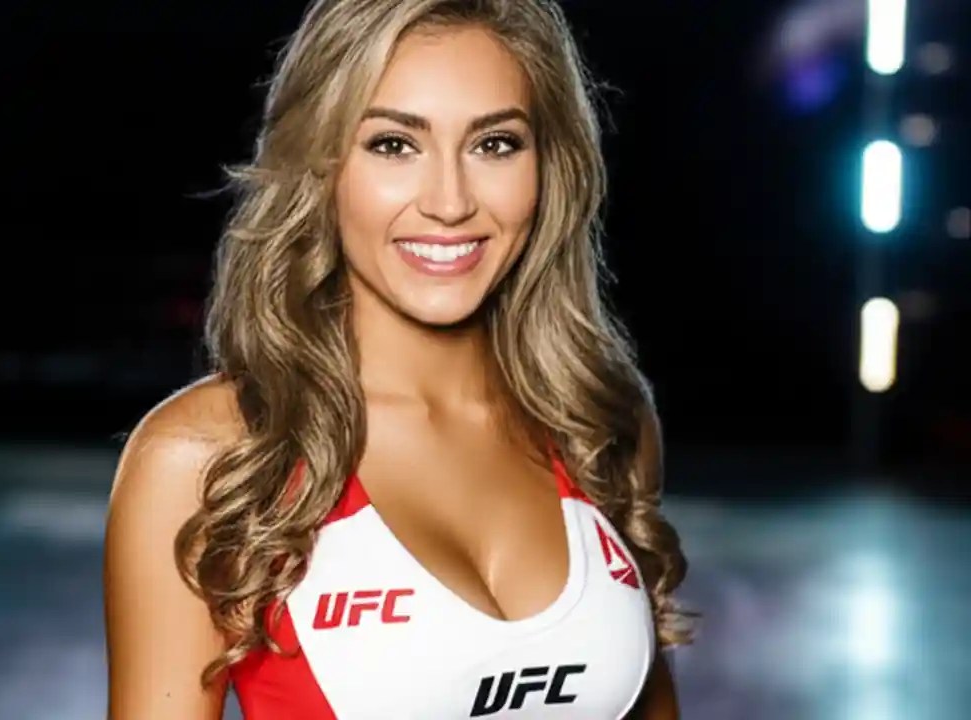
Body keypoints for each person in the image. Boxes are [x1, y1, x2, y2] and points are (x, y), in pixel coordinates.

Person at [104, 0, 695, 717]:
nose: (449, 202)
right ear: (321, 166)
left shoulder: (601, 419)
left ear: (549, 168)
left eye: (495, 144)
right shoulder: (209, 459)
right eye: (393, 144)